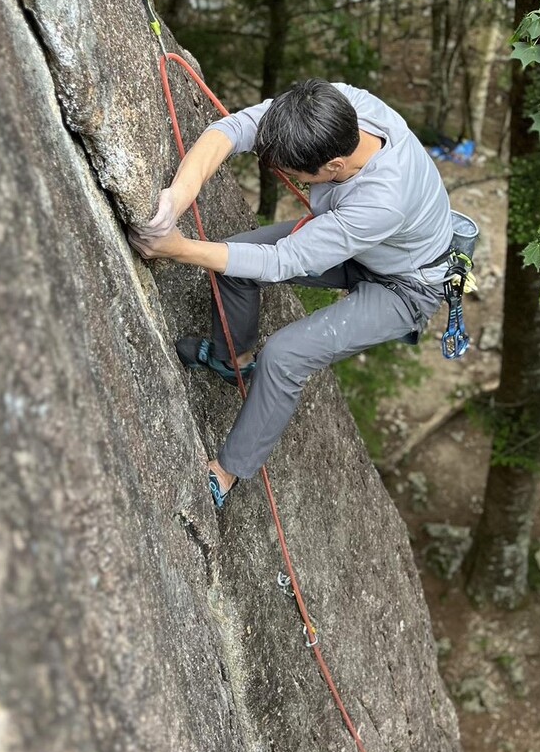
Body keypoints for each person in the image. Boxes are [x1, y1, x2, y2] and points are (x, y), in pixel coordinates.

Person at [131, 79, 454, 508]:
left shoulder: (383, 200)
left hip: (405, 284)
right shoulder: (336, 107)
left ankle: (228, 473)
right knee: (234, 264)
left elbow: (281, 261)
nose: (282, 172)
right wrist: (176, 199)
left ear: (334, 165)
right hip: (368, 244)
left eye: (295, 171)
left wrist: (177, 248)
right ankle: (234, 362)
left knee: (285, 356)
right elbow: (234, 128)